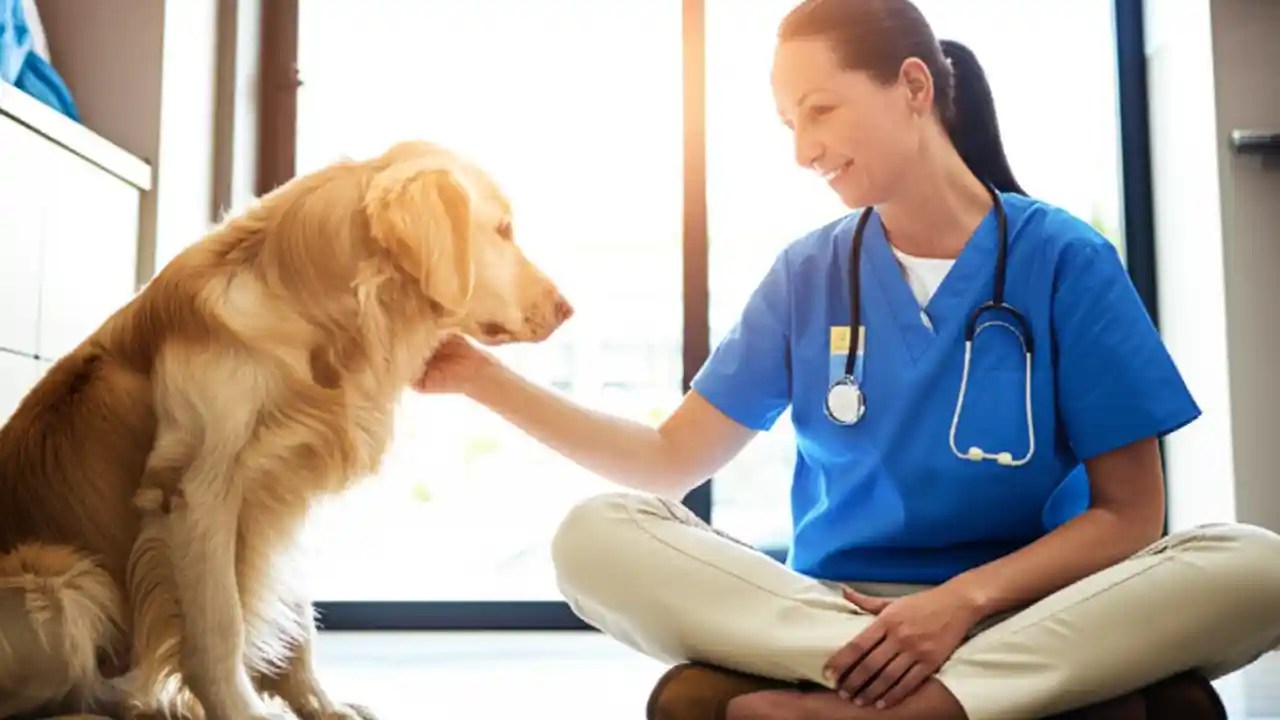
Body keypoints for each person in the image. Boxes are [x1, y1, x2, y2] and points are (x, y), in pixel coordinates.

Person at [413, 0, 1280, 718]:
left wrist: (961, 604)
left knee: (1257, 566)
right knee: (593, 536)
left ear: (912, 87)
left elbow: (1131, 515)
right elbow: (666, 463)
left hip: (1030, 605)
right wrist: (478, 376)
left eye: (820, 110)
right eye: (789, 124)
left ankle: (920, 698)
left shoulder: (1065, 259)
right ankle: (919, 687)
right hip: (829, 611)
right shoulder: (808, 273)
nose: (802, 149)